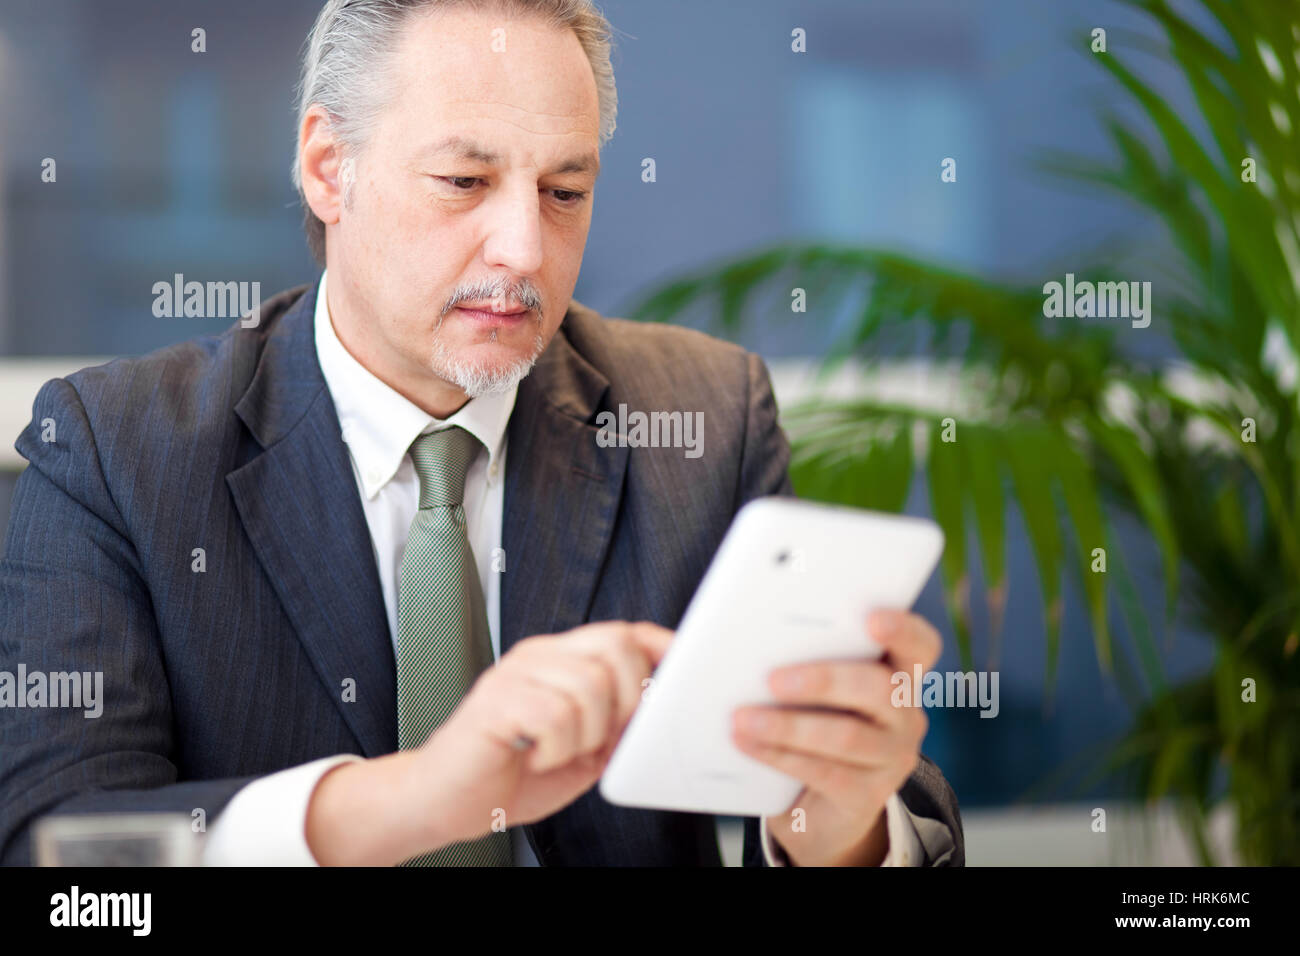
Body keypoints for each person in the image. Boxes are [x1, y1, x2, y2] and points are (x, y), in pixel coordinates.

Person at [0, 0, 961, 866]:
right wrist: (411, 801)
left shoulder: (705, 419)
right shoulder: (114, 454)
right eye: (464, 180)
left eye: (565, 191)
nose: (526, 249)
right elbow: (58, 851)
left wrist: (835, 832)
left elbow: (859, 820)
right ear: (329, 167)